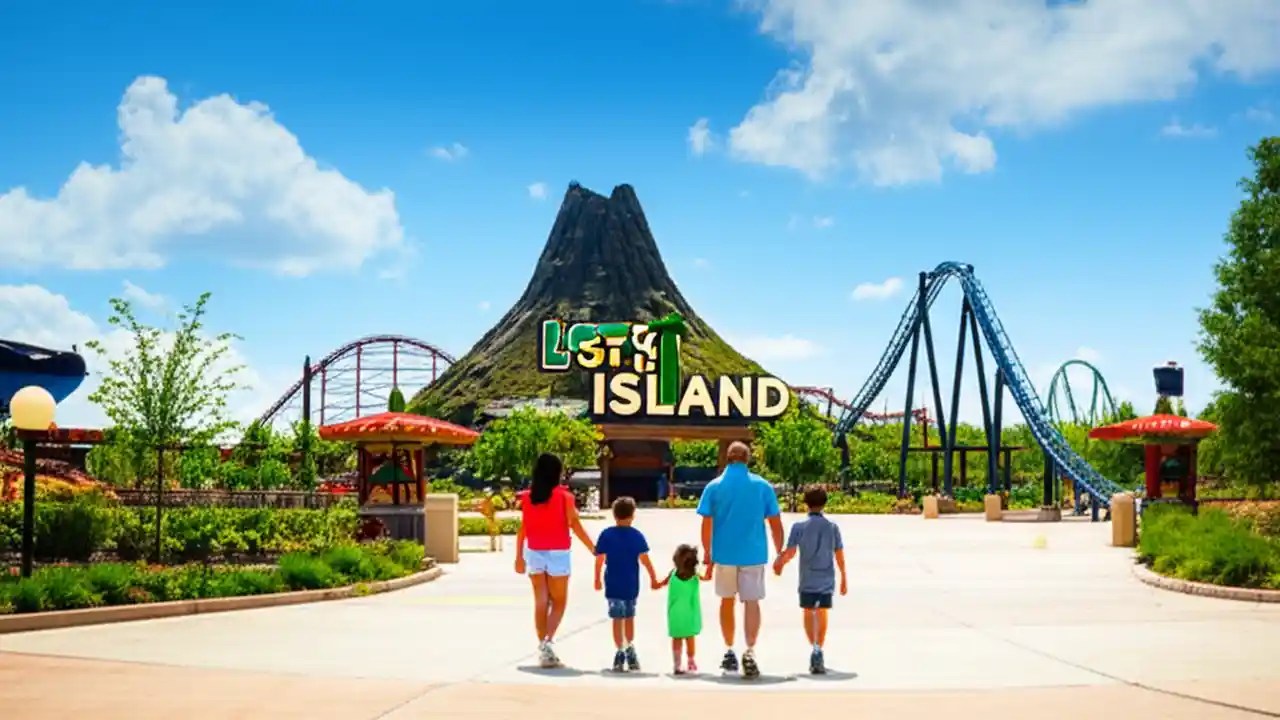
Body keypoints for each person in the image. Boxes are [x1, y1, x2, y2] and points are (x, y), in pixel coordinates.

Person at [696, 441, 783, 679]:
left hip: (724, 554)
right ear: (748, 458)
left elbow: (706, 523)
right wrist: (780, 551)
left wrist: (707, 552)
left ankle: (729, 649)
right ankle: (750, 650)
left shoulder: (714, 487)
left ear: (727, 457)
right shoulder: (762, 486)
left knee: (726, 601)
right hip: (753, 553)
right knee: (752, 602)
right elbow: (775, 522)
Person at [514, 452, 596, 668]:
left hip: (534, 551)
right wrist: (594, 549)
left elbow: (523, 529)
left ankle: (543, 646)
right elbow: (575, 526)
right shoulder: (565, 498)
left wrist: (518, 557)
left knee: (541, 601)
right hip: (558, 552)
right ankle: (548, 642)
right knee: (559, 602)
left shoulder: (528, 497)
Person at [772, 486, 848, 674]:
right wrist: (844, 577)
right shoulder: (832, 527)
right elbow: (839, 554)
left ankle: (813, 646)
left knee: (808, 611)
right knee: (821, 612)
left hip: (807, 578)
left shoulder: (798, 527)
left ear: (805, 503)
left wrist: (780, 561)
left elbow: (791, 552)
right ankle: (818, 648)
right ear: (824, 503)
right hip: (826, 577)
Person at [593, 496, 659, 672]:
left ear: (614, 515)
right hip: (631, 584)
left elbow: (599, 559)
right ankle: (630, 647)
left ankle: (619, 651)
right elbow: (645, 560)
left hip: (613, 583)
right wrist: (654, 578)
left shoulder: (606, 534)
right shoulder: (636, 536)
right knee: (629, 618)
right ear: (632, 515)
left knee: (617, 619)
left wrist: (596, 579)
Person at [654, 543, 712, 675]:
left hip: (675, 613)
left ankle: (677, 664)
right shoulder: (695, 576)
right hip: (690, 613)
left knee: (677, 638)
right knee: (690, 638)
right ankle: (691, 661)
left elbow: (658, 585)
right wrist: (711, 565)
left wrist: (654, 582)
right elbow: (708, 577)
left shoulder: (672, 575)